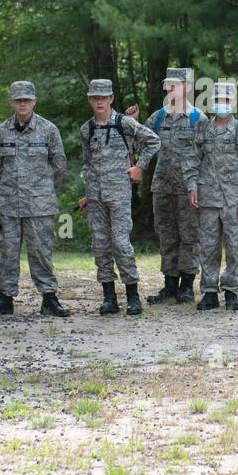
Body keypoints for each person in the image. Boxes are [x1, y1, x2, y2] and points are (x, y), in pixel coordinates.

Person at [0, 81, 69, 317]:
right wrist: (10, 187)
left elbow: (59, 164)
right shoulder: (2, 131)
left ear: (34, 101)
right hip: (9, 204)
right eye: (18, 100)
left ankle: (49, 298)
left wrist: (43, 188)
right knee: (8, 251)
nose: (22, 104)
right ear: (11, 102)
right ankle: (4, 298)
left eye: (27, 100)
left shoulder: (48, 130)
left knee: (41, 251)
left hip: (39, 204)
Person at [78, 79, 160, 316]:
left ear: (111, 99)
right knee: (101, 246)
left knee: (121, 244)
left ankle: (133, 295)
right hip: (95, 197)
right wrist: (87, 194)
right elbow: (88, 163)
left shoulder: (125, 124)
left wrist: (140, 167)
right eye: (95, 97)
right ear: (90, 100)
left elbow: (154, 141)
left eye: (104, 97)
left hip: (119, 195)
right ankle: (109, 297)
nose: (99, 101)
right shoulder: (87, 129)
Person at [185, 82, 238, 311]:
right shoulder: (203, 129)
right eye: (218, 101)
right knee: (208, 247)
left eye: (226, 101)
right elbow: (191, 161)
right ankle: (209, 292)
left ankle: (231, 291)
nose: (222, 105)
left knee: (234, 246)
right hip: (208, 198)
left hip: (233, 199)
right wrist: (192, 186)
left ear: (233, 103)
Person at [144, 68, 204, 305]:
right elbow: (141, 140)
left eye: (176, 85)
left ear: (187, 88)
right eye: (168, 85)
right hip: (162, 186)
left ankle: (187, 284)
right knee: (166, 235)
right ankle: (170, 283)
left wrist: (198, 186)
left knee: (189, 236)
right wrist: (131, 119)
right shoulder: (158, 117)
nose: (171, 89)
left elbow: (205, 155)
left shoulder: (198, 118)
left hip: (188, 189)